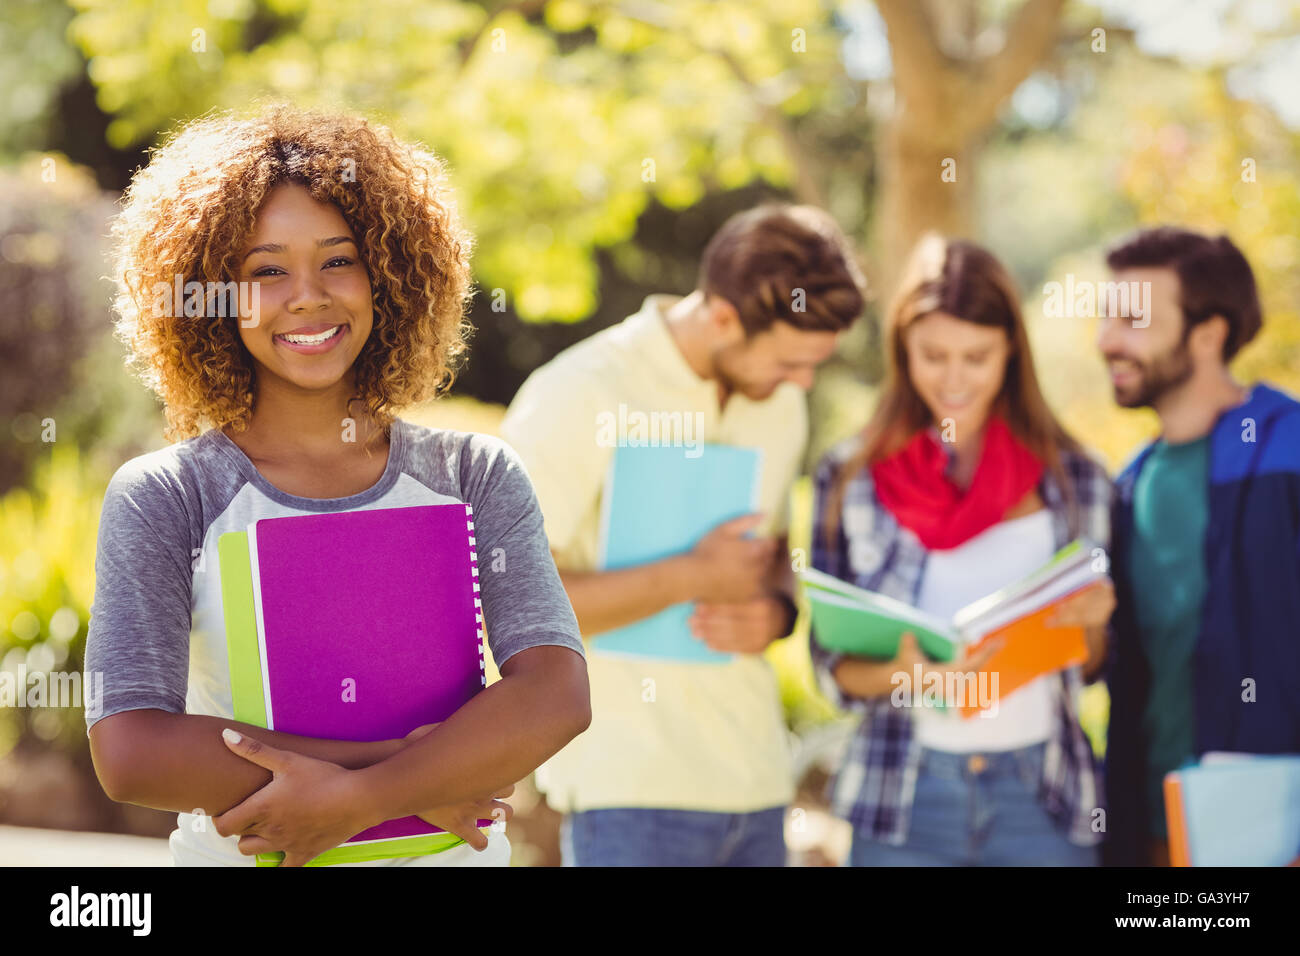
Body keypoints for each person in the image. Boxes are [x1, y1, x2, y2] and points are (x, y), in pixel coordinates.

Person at [82, 104, 590, 867]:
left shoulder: (474, 477)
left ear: (388, 274)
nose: (308, 295)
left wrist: (355, 799)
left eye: (339, 259)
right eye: (266, 270)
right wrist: (406, 773)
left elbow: (555, 696)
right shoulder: (167, 495)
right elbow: (132, 749)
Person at [499, 203, 867, 866]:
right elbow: (504, 598)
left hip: (755, 781)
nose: (803, 383)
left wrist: (777, 609)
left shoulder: (778, 403)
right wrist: (689, 577)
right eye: (789, 363)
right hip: (628, 791)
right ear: (723, 317)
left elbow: (774, 548)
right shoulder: (581, 392)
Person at [810, 234, 1115, 866]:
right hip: (905, 798)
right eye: (932, 355)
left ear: (1011, 352)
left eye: (976, 357)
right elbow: (830, 669)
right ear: (902, 351)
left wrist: (1095, 624)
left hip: (1041, 792)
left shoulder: (1074, 477)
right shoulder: (850, 476)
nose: (952, 380)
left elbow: (1092, 669)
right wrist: (914, 678)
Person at [1097, 226, 1300, 867]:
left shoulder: (1290, 451)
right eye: (1107, 316)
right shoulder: (1126, 487)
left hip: (1271, 837)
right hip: (1152, 835)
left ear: (1208, 334)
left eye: (1132, 320)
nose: (1107, 340)